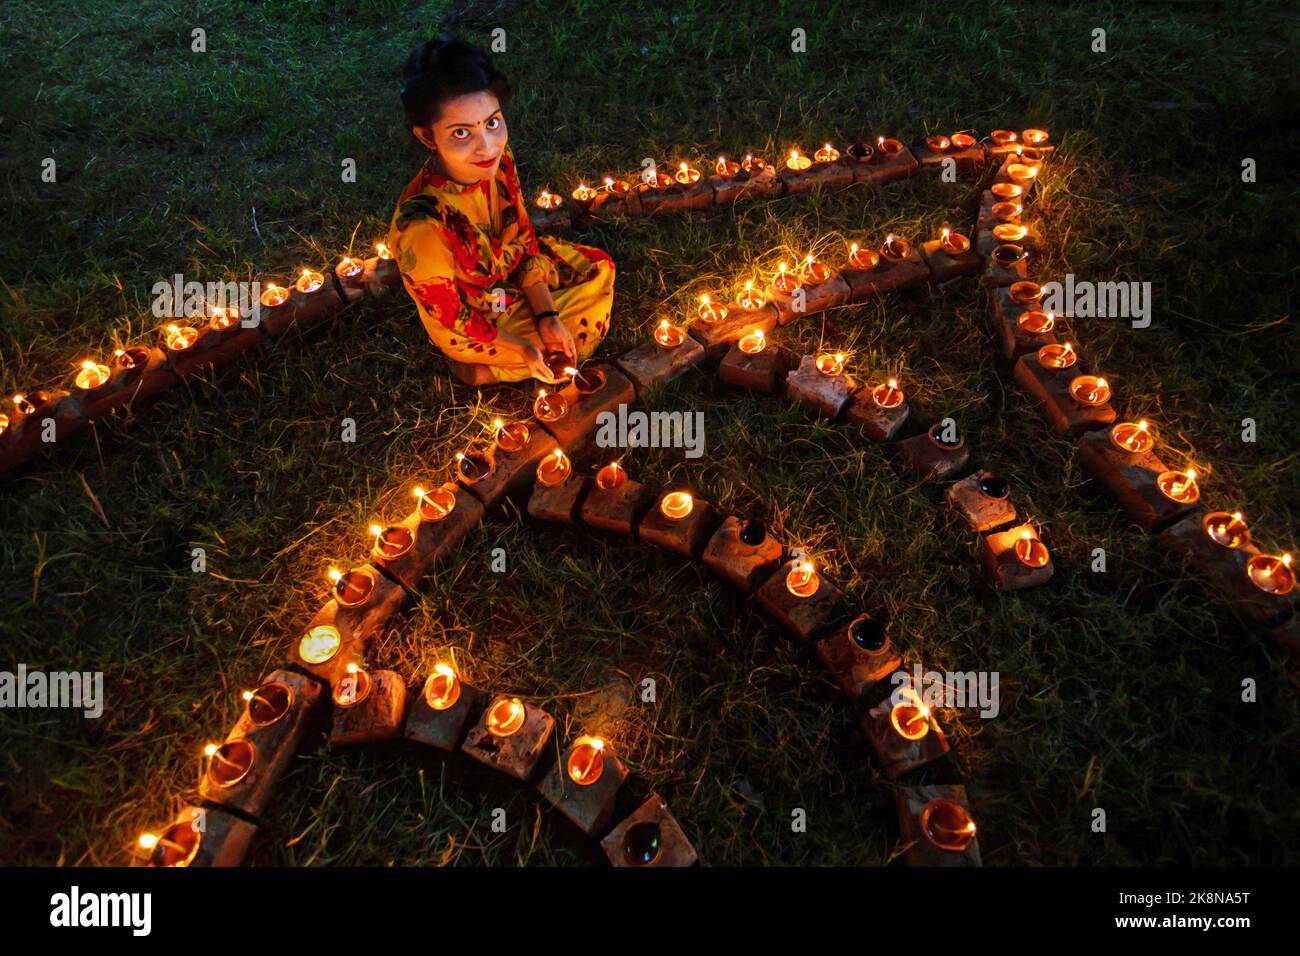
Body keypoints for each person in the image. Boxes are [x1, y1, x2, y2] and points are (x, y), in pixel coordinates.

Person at [388, 37, 615, 385]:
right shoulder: (422, 225)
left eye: (492, 123)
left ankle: (526, 347)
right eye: (461, 132)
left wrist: (547, 315)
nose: (487, 146)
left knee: (598, 269)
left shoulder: (498, 163)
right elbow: (452, 315)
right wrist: (522, 348)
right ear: (427, 136)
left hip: (505, 281)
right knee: (567, 339)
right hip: (470, 319)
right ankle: (483, 371)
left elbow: (522, 239)